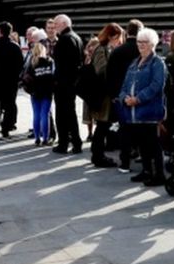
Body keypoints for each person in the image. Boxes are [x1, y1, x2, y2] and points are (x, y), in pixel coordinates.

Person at [117, 28, 168, 185]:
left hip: (149, 112)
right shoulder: (134, 63)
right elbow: (124, 85)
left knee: (153, 144)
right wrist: (124, 98)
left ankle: (159, 175)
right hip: (134, 113)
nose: (140, 45)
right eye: (139, 42)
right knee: (142, 144)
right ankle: (146, 171)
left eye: (144, 42)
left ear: (152, 44)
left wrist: (138, 99)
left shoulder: (157, 63)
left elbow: (157, 85)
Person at [108, 20, 142, 172]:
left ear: (127, 32)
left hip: (121, 96)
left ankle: (125, 162)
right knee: (142, 128)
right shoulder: (143, 51)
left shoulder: (117, 52)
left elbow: (110, 75)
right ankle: (142, 157)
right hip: (140, 96)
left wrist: (113, 95)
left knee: (125, 129)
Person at [88, 23, 123, 168]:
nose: (119, 41)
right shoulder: (101, 49)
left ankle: (97, 154)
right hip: (102, 95)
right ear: (112, 36)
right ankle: (98, 156)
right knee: (102, 125)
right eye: (118, 37)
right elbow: (101, 70)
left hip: (104, 94)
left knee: (103, 125)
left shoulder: (105, 48)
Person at [53, 14, 85, 154]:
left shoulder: (64, 39)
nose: (54, 27)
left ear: (64, 24)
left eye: (56, 24)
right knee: (70, 114)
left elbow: (63, 64)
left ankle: (63, 143)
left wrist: (58, 80)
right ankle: (76, 142)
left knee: (62, 115)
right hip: (72, 82)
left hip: (64, 83)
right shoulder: (76, 38)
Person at [0, 22, 24, 138]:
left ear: (0, 32)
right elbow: (20, 64)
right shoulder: (15, 47)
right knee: (9, 105)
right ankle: (6, 128)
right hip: (10, 81)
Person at [24, 42, 56, 146]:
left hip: (35, 91)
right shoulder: (50, 61)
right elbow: (54, 74)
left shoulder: (32, 62)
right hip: (47, 91)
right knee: (45, 114)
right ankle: (45, 138)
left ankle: (37, 137)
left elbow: (26, 76)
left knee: (36, 114)